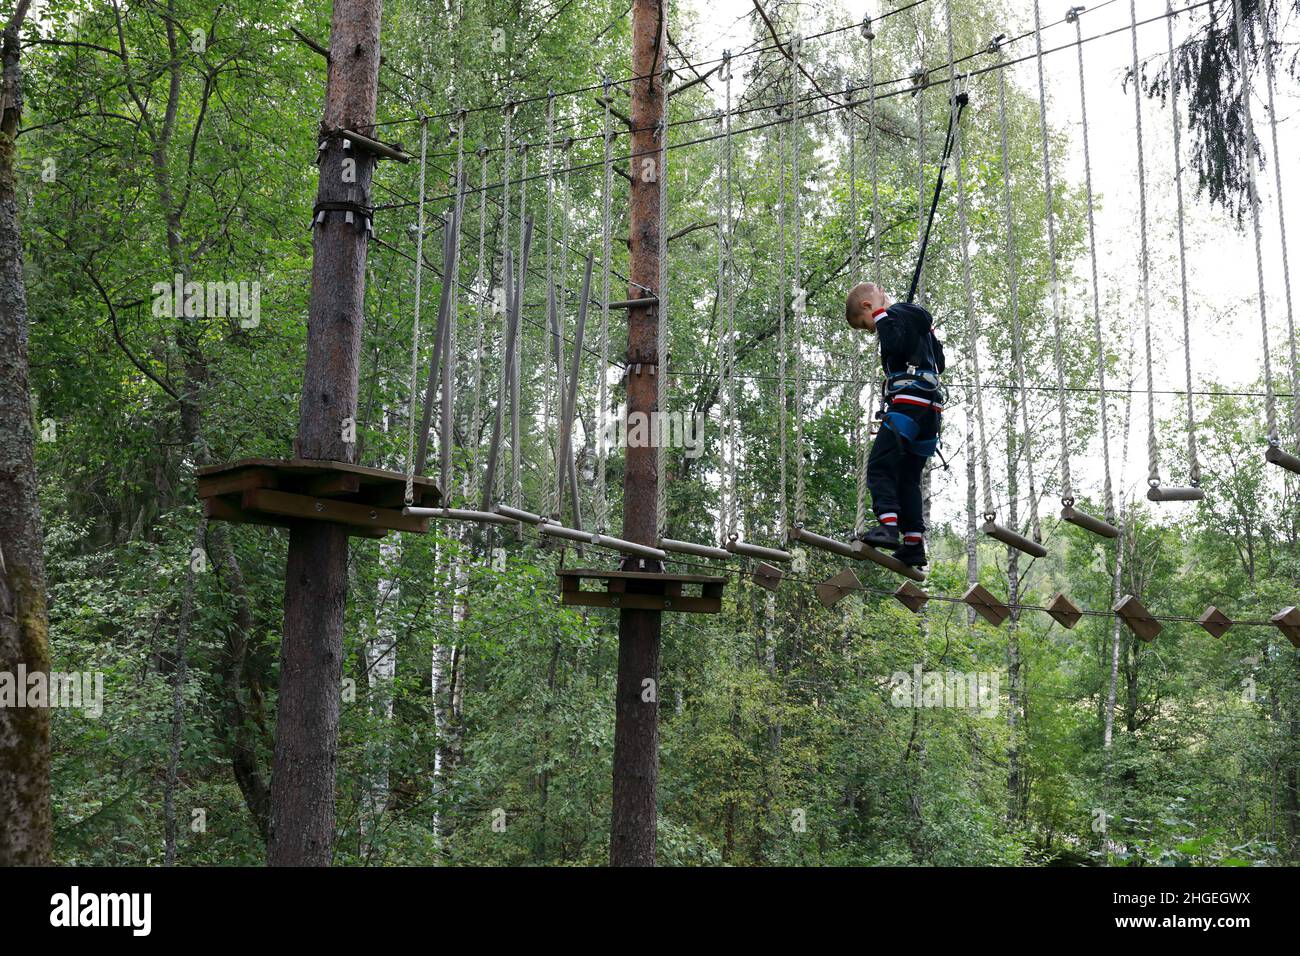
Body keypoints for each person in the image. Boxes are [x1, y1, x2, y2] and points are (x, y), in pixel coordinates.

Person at [844, 281, 946, 568]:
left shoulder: (896, 315)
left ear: (868, 307)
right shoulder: (911, 320)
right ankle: (913, 543)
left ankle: (888, 526)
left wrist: (882, 313)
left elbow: (893, 343)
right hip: (930, 410)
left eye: (867, 325)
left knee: (879, 465)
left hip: (910, 404)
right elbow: (940, 361)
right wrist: (927, 335)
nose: (872, 329)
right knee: (908, 478)